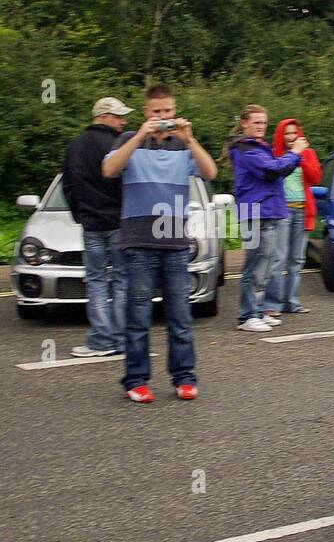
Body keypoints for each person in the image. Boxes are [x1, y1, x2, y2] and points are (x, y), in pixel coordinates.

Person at [101, 83, 217, 403]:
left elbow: (210, 171)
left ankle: (184, 377)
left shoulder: (183, 146)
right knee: (138, 316)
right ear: (146, 112)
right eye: (156, 112)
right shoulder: (128, 140)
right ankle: (135, 379)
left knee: (180, 315)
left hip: (175, 242)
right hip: (138, 242)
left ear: (174, 111)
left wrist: (190, 138)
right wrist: (139, 135)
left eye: (167, 111)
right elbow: (109, 169)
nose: (163, 117)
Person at [225, 104, 308, 332]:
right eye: (256, 122)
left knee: (267, 263)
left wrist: (292, 159)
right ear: (244, 123)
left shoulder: (258, 147)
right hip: (255, 213)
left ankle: (259, 310)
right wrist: (295, 153)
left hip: (269, 210)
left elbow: (278, 172)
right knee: (255, 265)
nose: (261, 127)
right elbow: (271, 170)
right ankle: (247, 315)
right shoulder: (244, 148)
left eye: (263, 123)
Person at [62, 96, 133, 358]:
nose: (123, 121)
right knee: (123, 279)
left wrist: (79, 214)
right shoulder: (119, 144)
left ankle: (101, 340)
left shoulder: (75, 145)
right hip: (118, 222)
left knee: (96, 280)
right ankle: (121, 338)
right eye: (118, 117)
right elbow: (126, 183)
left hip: (91, 224)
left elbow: (67, 184)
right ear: (103, 116)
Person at [262, 118, 321, 315]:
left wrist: (301, 156)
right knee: (277, 258)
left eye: (293, 133)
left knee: (296, 259)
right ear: (280, 135)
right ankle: (272, 304)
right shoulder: (274, 155)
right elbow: (272, 178)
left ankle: (292, 302)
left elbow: (315, 178)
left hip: (303, 210)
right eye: (286, 133)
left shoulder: (307, 153)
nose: (290, 137)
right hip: (282, 210)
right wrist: (291, 155)